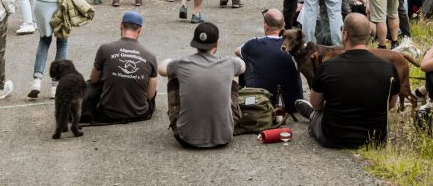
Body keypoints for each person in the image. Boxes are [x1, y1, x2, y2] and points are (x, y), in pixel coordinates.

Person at [294, 13, 397, 149]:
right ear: (369, 35)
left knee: (316, 113)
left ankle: (311, 115)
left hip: (333, 137)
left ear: (345, 35)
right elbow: (390, 105)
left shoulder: (328, 67)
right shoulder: (388, 67)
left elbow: (317, 104)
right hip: (376, 139)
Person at [159, 21, 245, 149]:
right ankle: (228, 117)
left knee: (172, 75)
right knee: (235, 73)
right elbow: (243, 66)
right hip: (224, 137)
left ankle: (182, 118)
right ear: (217, 43)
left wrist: (171, 62)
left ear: (195, 43)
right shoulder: (229, 62)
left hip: (186, 138)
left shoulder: (181, 63)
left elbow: (162, 69)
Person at [83, 11, 159, 125]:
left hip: (108, 114)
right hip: (139, 113)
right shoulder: (150, 56)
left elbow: (94, 79)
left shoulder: (105, 49)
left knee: (90, 84)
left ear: (121, 26)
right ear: (140, 30)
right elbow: (150, 94)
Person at [236, 9, 302, 105]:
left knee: (240, 60)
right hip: (293, 103)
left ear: (265, 25)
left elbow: (237, 51)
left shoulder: (254, 43)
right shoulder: (295, 45)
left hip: (261, 102)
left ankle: (240, 98)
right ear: (283, 24)